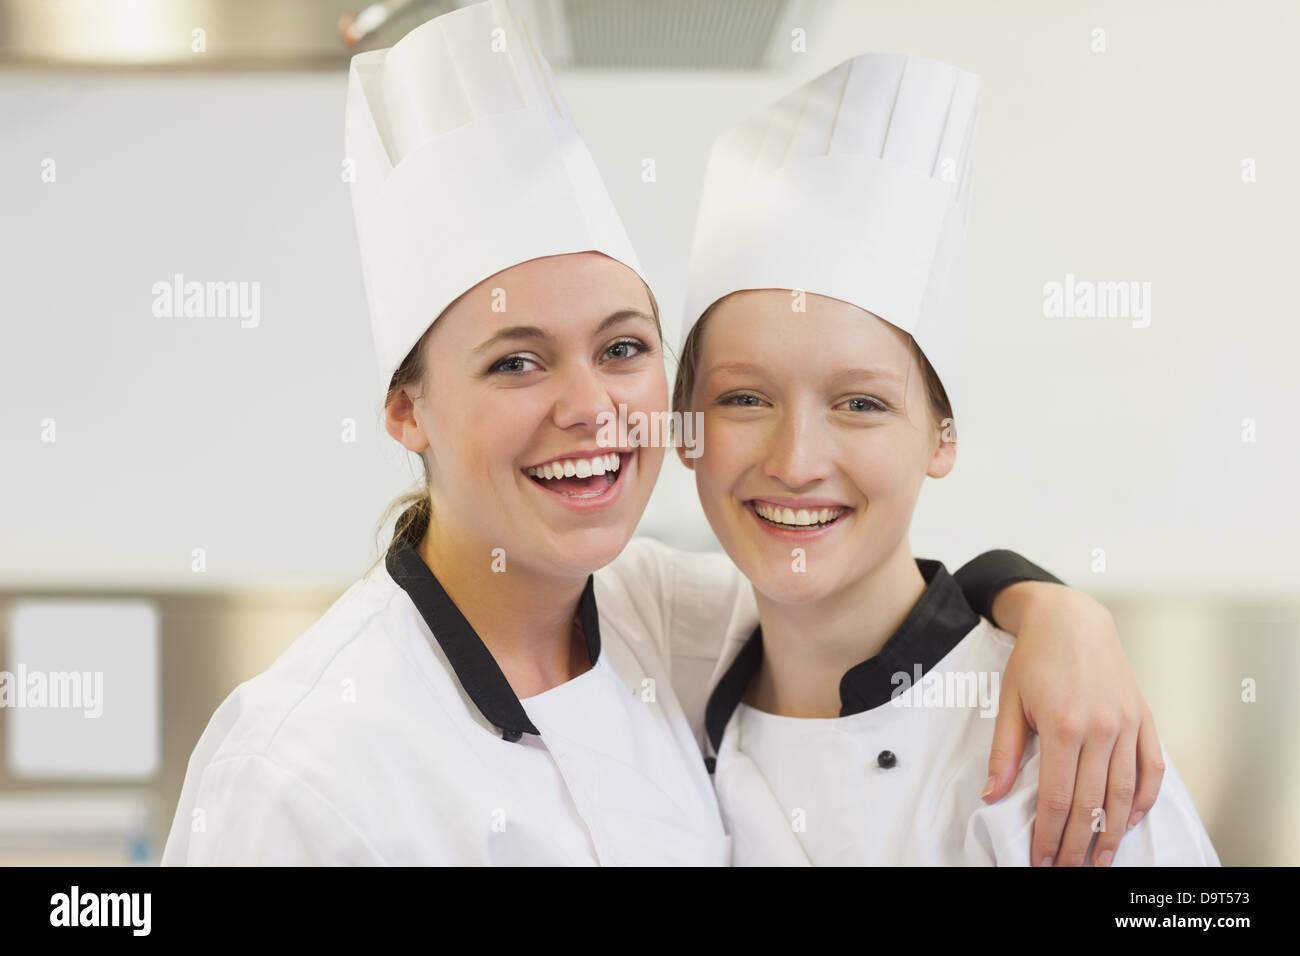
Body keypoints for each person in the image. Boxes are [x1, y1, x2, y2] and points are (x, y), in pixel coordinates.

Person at [162, 1, 1166, 866]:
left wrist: (1051, 611)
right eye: (515, 359)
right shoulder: (300, 766)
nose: (588, 406)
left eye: (621, 345)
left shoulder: (667, 618)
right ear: (403, 406)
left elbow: (871, 598)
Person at [673, 51, 1219, 865]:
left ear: (943, 435)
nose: (796, 461)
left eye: (861, 404)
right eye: (744, 399)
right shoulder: (664, 669)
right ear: (685, 428)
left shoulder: (1063, 747)